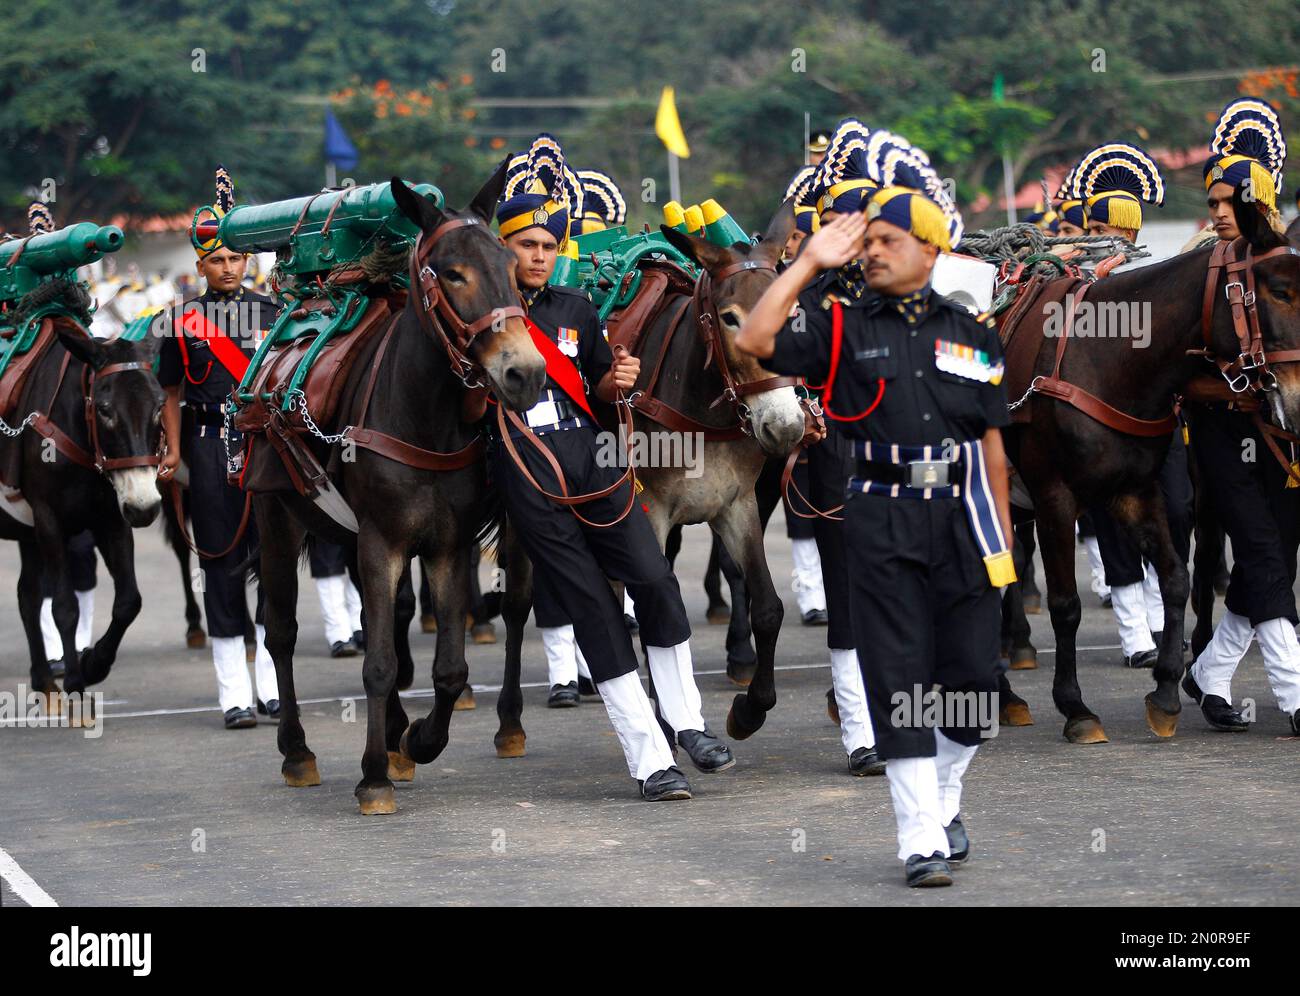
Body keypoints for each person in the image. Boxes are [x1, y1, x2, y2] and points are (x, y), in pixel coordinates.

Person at [738, 161, 1011, 887]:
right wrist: (806, 262)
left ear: (930, 250)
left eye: (890, 239)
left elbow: (991, 441)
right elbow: (756, 341)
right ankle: (920, 836)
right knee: (899, 676)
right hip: (881, 514)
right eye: (870, 242)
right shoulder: (841, 327)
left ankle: (946, 794)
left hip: (963, 517)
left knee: (974, 685)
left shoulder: (973, 334)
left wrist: (1004, 540)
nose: (875, 251)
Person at [491, 135, 733, 799]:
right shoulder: (486, 316)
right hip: (529, 470)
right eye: (526, 245)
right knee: (596, 609)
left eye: (547, 246)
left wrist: (618, 378)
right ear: (504, 248)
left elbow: (599, 386)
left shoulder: (576, 309)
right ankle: (649, 759)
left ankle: (688, 724)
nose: (538, 256)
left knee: (655, 580)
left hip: (595, 458)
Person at [1181, 98, 1300, 735]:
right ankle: (1296, 692)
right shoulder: (1199, 266)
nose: (1220, 214)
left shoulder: (1286, 261)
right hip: (1219, 424)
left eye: (1231, 204)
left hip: (1280, 428)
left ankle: (1210, 670)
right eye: (1214, 204)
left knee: (1277, 553)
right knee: (1258, 545)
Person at [156, 166, 280, 730]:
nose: (227, 268)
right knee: (220, 563)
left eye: (235, 258)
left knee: (272, 560)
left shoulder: (276, 316)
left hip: (266, 447)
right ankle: (234, 694)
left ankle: (274, 684)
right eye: (217, 261)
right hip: (206, 447)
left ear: (247, 262)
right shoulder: (178, 323)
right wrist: (172, 454)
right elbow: (172, 393)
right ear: (199, 265)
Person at [1065, 143, 1193, 668]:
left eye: (1113, 233)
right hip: (1097, 422)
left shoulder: (1159, 283)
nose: (1103, 241)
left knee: (1179, 509)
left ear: (1134, 234)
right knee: (1110, 519)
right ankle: (1134, 631)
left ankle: (1167, 617)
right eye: (1094, 232)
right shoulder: (1073, 286)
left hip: (1160, 419)